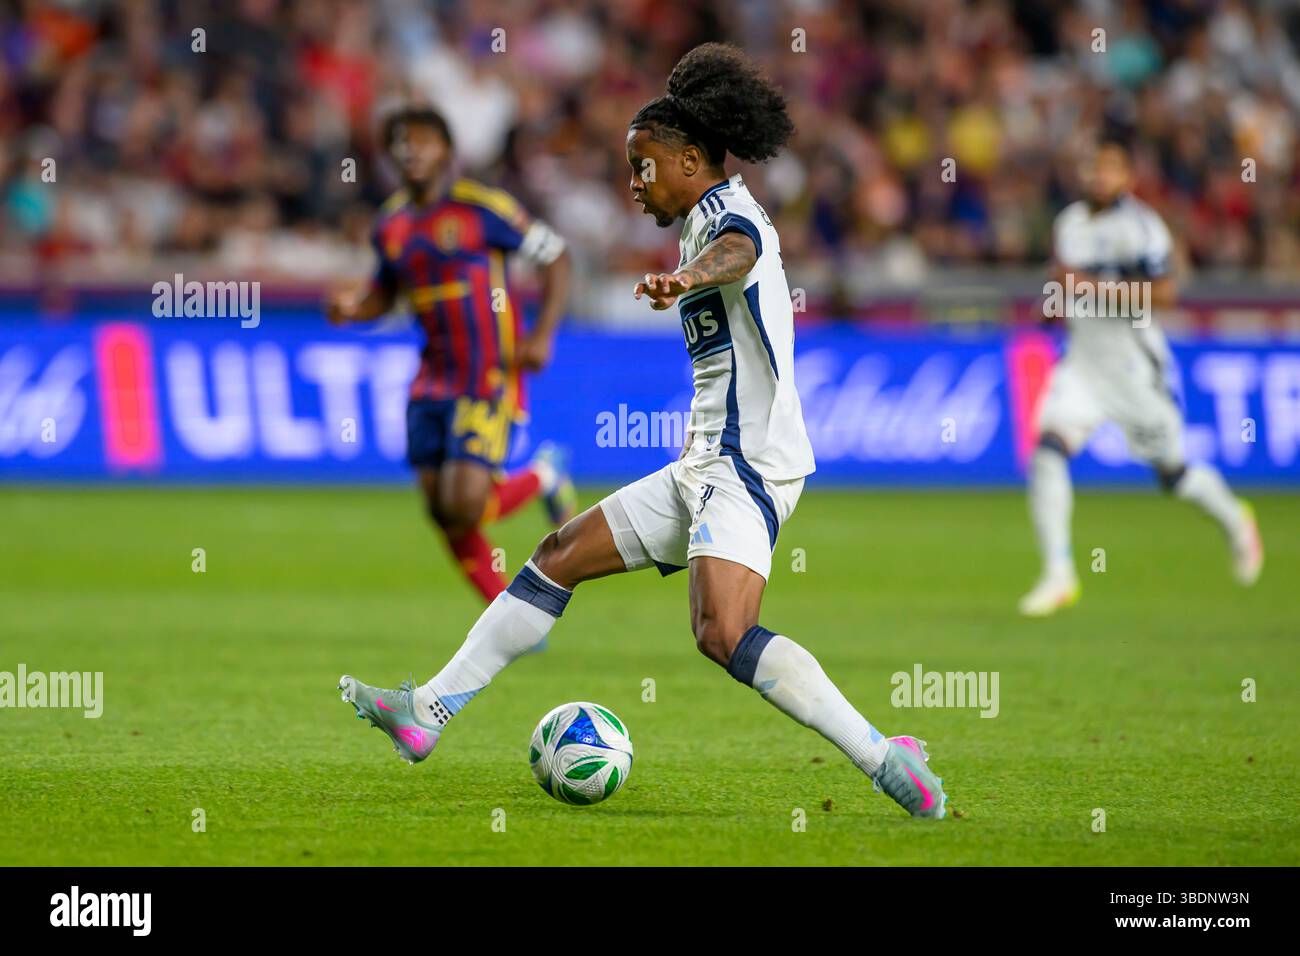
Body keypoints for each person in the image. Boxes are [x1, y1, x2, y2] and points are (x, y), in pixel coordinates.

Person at [338, 45, 948, 820]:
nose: (634, 183)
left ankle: (882, 757)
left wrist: (687, 279)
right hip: (702, 461)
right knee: (557, 555)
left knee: (723, 633)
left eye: (644, 167)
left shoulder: (730, 218)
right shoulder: (697, 220)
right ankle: (428, 712)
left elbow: (742, 253)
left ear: (692, 159)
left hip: (748, 463)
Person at [326, 107, 577, 605]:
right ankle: (506, 614)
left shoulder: (483, 209)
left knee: (464, 502)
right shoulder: (391, 225)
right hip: (430, 378)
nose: (409, 151)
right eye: (399, 143)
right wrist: (351, 308)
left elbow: (556, 257)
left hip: (487, 372)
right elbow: (383, 293)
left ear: (446, 150)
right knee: (441, 510)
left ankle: (544, 475)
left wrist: (543, 334)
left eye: (420, 140)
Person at [1020, 135, 1264, 616]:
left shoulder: (1141, 228)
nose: (1097, 177)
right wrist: (1051, 306)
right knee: (1048, 451)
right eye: (1092, 168)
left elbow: (1166, 295)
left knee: (1172, 474)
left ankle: (1235, 518)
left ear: (1127, 177)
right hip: (1083, 365)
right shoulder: (1068, 222)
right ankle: (1059, 572)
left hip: (1133, 369)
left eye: (1108, 169)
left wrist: (1085, 287)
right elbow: (1062, 284)